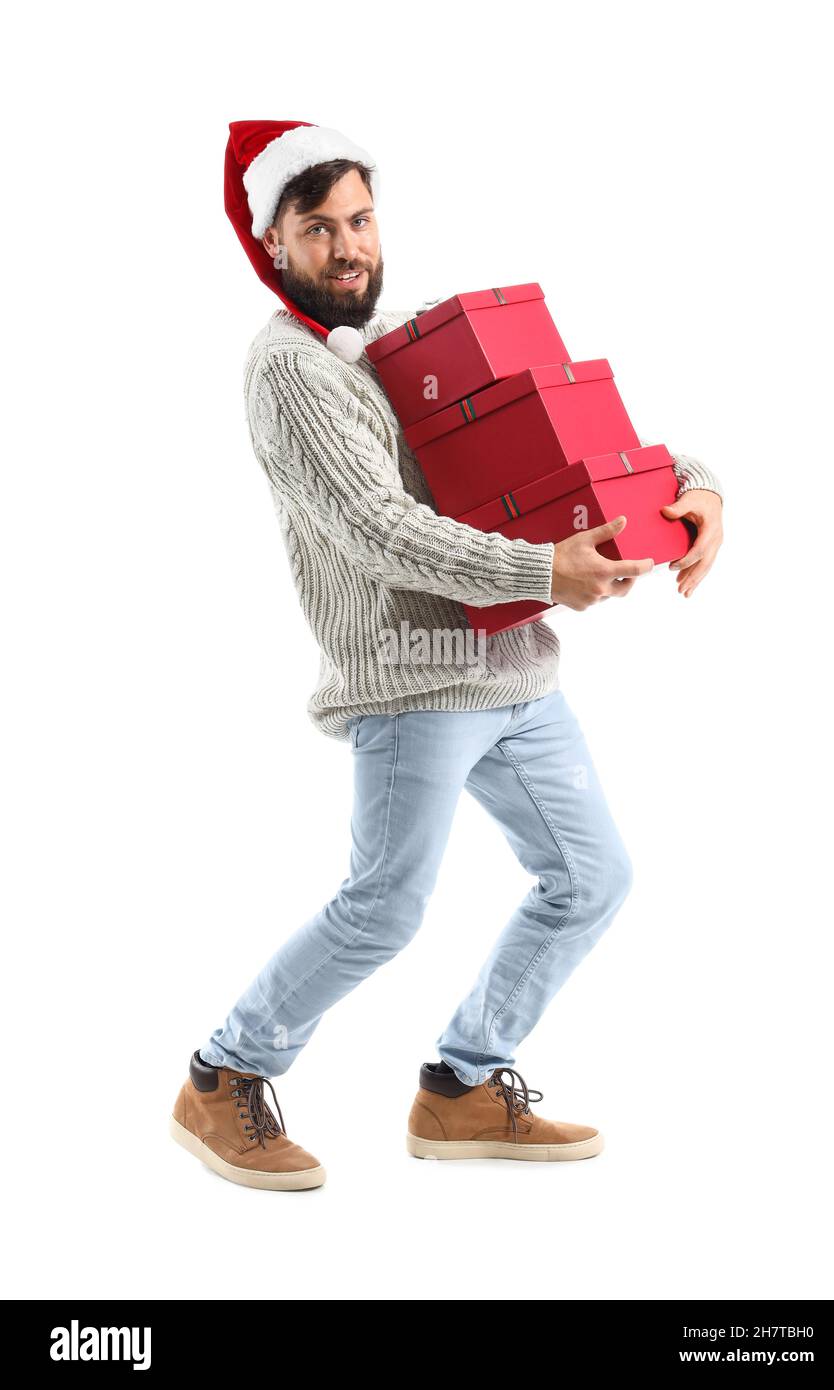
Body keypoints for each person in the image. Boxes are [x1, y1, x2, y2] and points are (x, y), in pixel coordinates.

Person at [169, 120, 725, 1191]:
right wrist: (544, 572)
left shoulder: (401, 346)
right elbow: (379, 528)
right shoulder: (290, 369)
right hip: (413, 683)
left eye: (362, 220)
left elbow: (560, 427)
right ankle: (220, 1073)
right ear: (272, 242)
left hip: (515, 677)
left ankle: (465, 1082)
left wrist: (694, 484)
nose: (348, 248)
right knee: (385, 905)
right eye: (318, 226)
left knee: (592, 875)